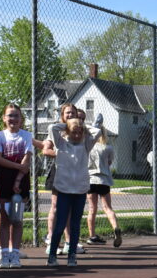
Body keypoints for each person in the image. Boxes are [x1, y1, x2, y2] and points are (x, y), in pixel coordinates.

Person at [42, 117, 97, 267]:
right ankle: (52, 255)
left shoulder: (85, 145)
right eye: (74, 132)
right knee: (60, 224)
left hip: (79, 190)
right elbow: (52, 128)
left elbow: (97, 131)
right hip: (64, 189)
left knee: (75, 225)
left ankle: (72, 255)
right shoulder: (61, 144)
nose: (77, 135)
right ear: (67, 132)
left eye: (80, 132)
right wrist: (67, 125)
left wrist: (83, 126)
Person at [0, 104, 35, 269]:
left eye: (16, 115)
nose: (13, 119)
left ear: (21, 119)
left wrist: (18, 181)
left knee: (16, 219)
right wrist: (18, 167)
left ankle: (15, 254)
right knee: (4, 219)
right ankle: (4, 254)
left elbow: (27, 159)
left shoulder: (26, 136)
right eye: (10, 115)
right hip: (4, 182)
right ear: (4, 118)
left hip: (20, 183)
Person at [44, 103, 79, 255]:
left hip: (75, 173)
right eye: (67, 113)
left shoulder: (80, 131)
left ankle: (69, 242)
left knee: (71, 209)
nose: (70, 115)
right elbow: (46, 150)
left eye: (72, 113)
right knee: (56, 207)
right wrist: (61, 153)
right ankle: (52, 241)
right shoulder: (57, 131)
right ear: (62, 116)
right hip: (59, 171)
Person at [86, 124, 122, 248]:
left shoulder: (87, 147)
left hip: (90, 179)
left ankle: (92, 235)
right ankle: (115, 227)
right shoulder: (108, 147)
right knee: (107, 207)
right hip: (104, 180)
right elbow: (109, 162)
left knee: (92, 209)